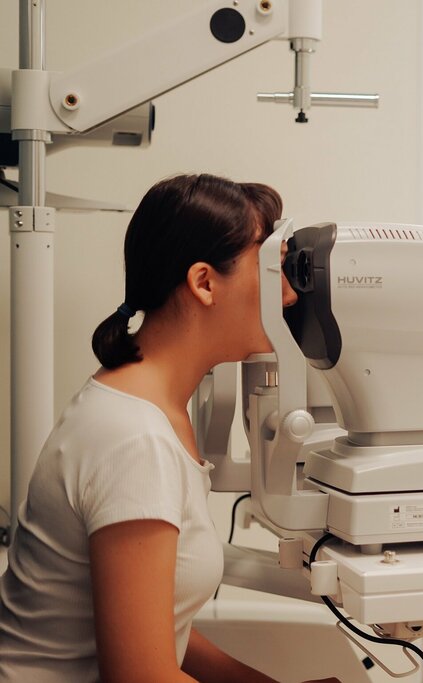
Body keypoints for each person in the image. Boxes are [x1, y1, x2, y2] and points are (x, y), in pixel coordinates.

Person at [0, 174, 339, 683]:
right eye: (270, 268)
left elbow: (161, 630)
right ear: (204, 283)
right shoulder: (135, 439)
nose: (289, 295)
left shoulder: (150, 407)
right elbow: (142, 676)